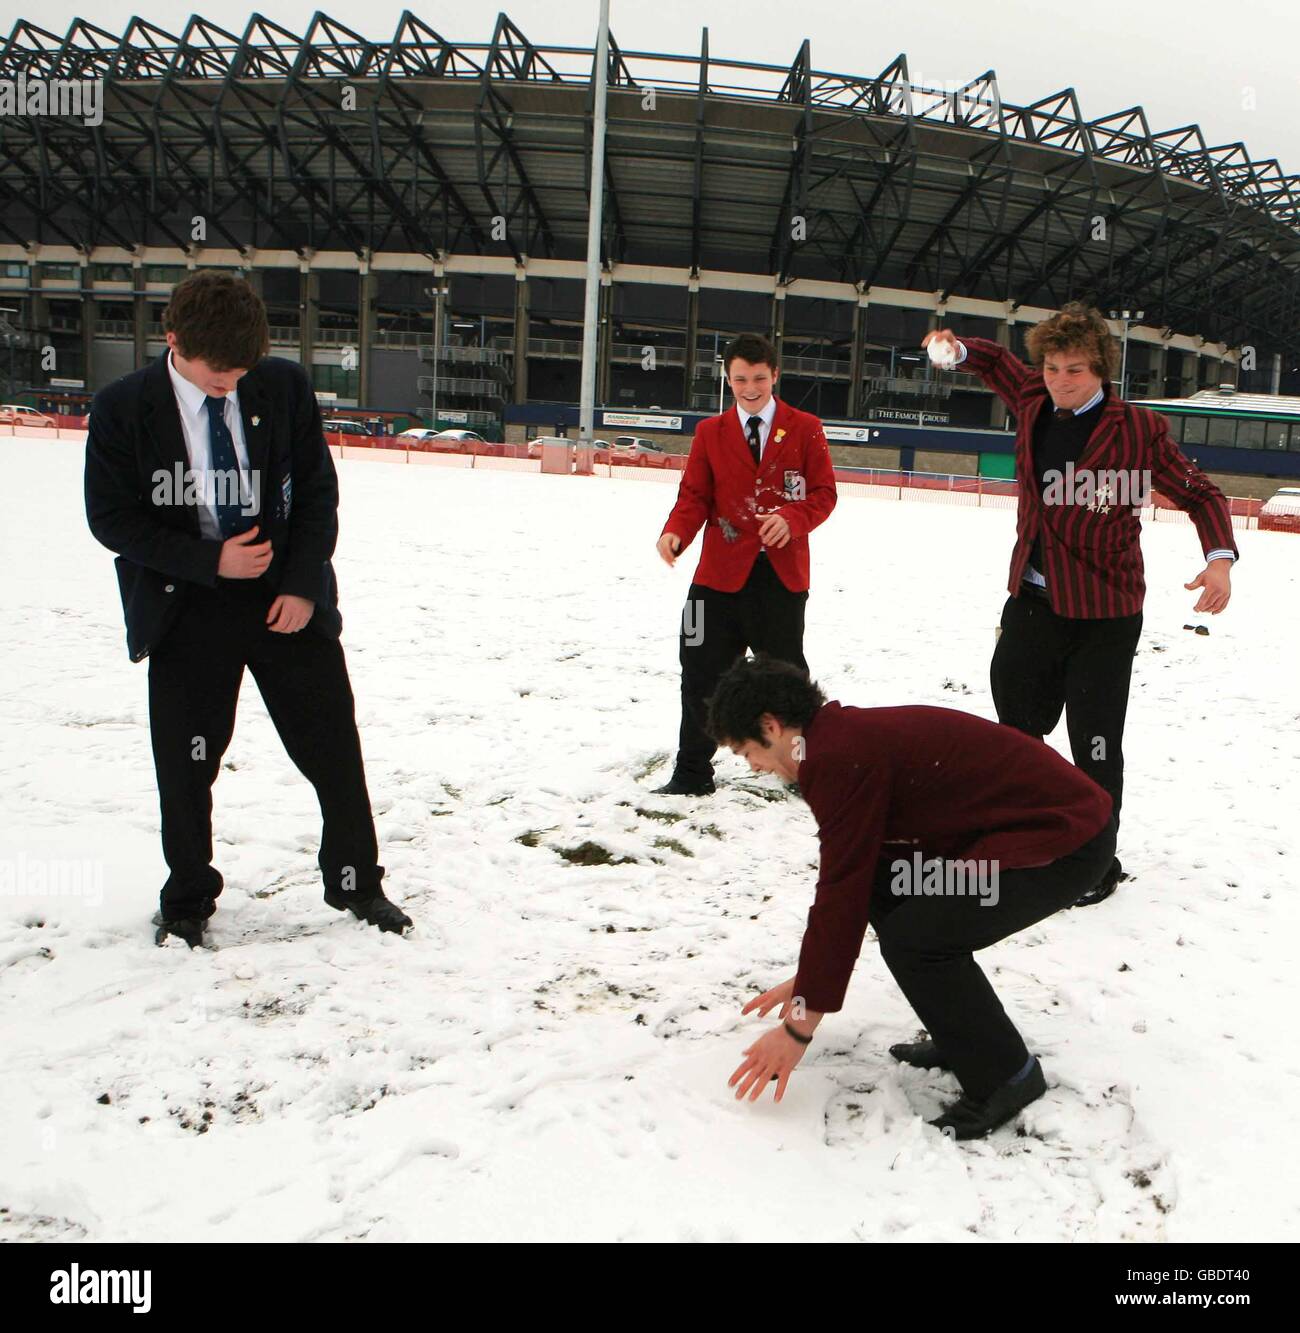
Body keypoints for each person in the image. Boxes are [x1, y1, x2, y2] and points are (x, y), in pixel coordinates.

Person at [84, 270, 411, 947]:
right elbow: (110, 518)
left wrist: (300, 583)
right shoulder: (123, 407)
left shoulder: (282, 386)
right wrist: (210, 561)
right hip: (189, 606)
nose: (230, 381)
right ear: (173, 340)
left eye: (241, 369)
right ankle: (188, 896)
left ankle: (356, 882)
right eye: (217, 371)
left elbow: (318, 492)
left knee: (332, 745)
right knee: (187, 759)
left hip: (282, 602)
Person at [711, 655, 1116, 1141]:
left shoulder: (837, 758)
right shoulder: (833, 743)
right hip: (1009, 836)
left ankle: (1006, 1076)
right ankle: (962, 1036)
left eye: (744, 752)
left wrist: (799, 1027)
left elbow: (840, 889)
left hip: (1062, 842)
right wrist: (813, 977)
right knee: (891, 896)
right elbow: (857, 882)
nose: (752, 767)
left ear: (771, 726)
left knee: (917, 939)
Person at [923, 304, 1237, 906]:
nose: (1061, 380)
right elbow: (996, 363)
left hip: (1105, 611)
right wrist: (955, 347)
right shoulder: (1035, 396)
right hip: (1033, 599)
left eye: (1075, 370)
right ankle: (1032, 833)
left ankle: (1096, 862)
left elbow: (1200, 493)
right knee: (1016, 728)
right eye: (1052, 368)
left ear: (1101, 371)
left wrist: (1219, 557)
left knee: (1094, 742)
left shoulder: (1138, 429)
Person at [653, 333, 837, 796]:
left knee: (787, 681)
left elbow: (824, 495)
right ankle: (692, 773)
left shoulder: (806, 427)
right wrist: (676, 531)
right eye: (740, 379)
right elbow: (694, 496)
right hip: (713, 583)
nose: (750, 388)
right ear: (728, 378)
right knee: (697, 669)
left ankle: (803, 773)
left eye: (759, 378)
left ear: (775, 376)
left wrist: (793, 519)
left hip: (780, 581)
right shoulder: (709, 433)